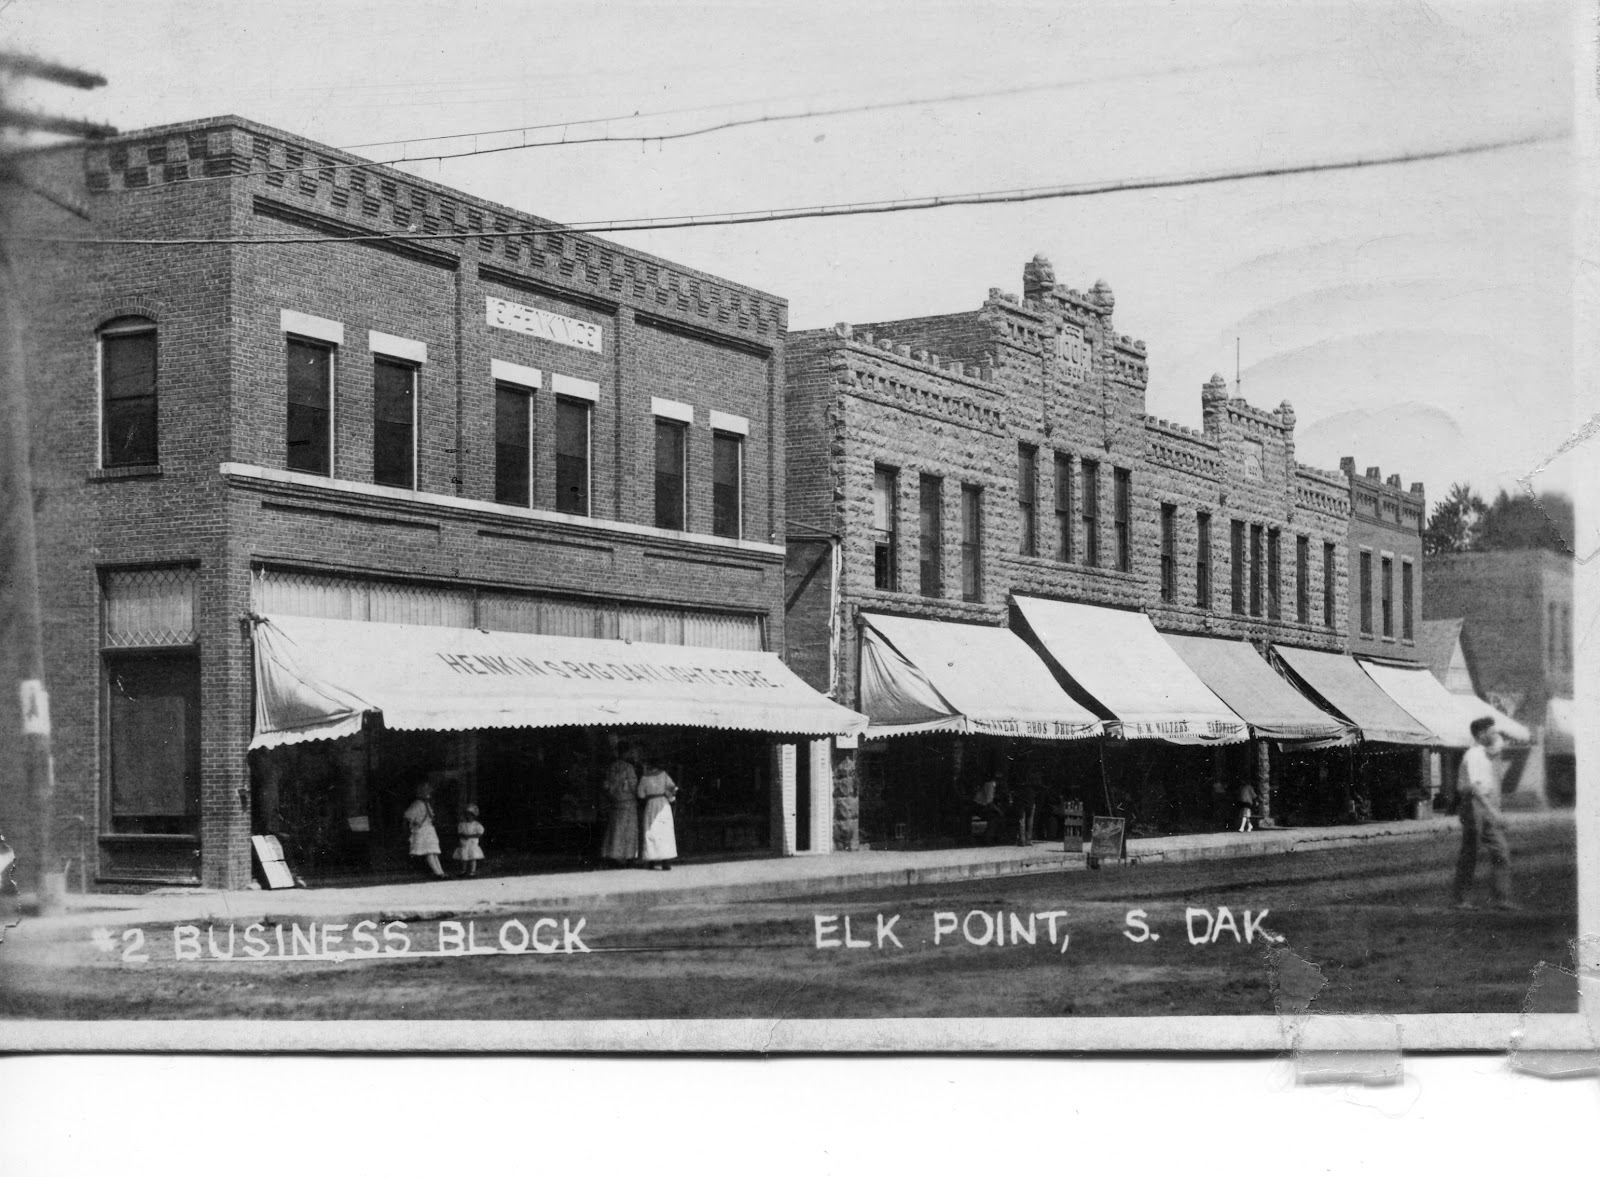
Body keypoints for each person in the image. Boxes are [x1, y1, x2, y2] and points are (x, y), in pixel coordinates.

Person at [1453, 717, 1517, 910]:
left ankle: (1502, 898)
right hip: (1475, 805)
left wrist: (1493, 810)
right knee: (1470, 852)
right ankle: (1461, 899)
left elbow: (1497, 746)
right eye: (1491, 731)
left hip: (1485, 804)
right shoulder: (1474, 754)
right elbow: (1474, 788)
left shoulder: (1486, 753)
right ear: (1481, 734)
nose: (1495, 734)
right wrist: (1494, 813)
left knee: (1501, 852)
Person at [599, 743, 641, 867]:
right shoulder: (628, 767)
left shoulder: (612, 767)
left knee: (615, 829)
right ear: (626, 753)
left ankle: (613, 855)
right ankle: (628, 856)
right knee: (628, 830)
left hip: (616, 801)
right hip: (628, 801)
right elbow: (633, 786)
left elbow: (607, 785)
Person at [636, 751, 679, 870]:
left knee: (651, 831)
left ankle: (651, 860)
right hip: (663, 804)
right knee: (664, 832)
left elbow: (640, 794)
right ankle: (666, 861)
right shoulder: (664, 775)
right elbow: (672, 788)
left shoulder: (644, 777)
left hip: (651, 804)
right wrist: (671, 798)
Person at [403, 782, 448, 878]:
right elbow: (408, 815)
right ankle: (438, 872)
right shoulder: (419, 804)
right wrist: (415, 822)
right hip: (424, 830)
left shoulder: (424, 804)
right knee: (430, 852)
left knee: (432, 852)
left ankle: (440, 872)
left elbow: (408, 816)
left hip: (428, 830)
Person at [453, 803, 485, 878]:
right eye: (466, 815)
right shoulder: (462, 824)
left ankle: (472, 872)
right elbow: (459, 833)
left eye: (470, 815)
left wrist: (470, 836)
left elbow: (479, 833)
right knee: (464, 857)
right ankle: (463, 871)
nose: (468, 816)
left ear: (473, 816)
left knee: (472, 857)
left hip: (472, 842)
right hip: (464, 842)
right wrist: (463, 836)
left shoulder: (476, 824)